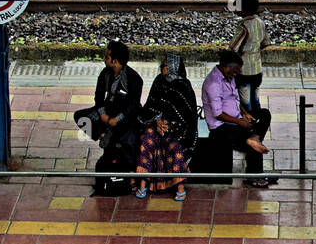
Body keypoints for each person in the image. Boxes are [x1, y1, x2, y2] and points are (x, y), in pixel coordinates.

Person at [202, 49, 274, 188]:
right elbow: (218, 113)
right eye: (235, 70)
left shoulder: (229, 77)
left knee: (264, 114)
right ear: (226, 67)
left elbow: (234, 99)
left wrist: (244, 113)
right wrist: (240, 122)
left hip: (236, 118)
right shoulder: (213, 84)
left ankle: (254, 138)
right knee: (251, 139)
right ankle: (254, 176)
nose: (237, 74)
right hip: (221, 127)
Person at [135, 55, 196, 201]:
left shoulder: (184, 86)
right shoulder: (159, 82)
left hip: (177, 129)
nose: (162, 68)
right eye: (163, 65)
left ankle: (180, 186)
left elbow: (188, 116)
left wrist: (169, 125)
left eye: (165, 65)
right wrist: (157, 122)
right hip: (156, 124)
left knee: (175, 147)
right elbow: (150, 106)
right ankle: (143, 184)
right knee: (147, 141)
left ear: (174, 67)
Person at [76, 41, 143, 150]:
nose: (104, 59)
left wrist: (116, 119)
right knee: (81, 117)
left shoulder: (134, 79)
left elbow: (133, 105)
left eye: (107, 57)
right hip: (109, 109)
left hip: (126, 114)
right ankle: (103, 134)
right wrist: (103, 114)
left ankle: (112, 133)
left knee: (128, 130)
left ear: (115, 61)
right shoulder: (105, 73)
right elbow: (99, 96)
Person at [229, 0, 271, 117]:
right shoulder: (260, 22)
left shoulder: (243, 26)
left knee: (245, 101)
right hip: (257, 68)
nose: (235, 10)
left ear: (243, 10)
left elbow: (233, 47)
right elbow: (265, 42)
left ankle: (248, 122)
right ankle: (257, 119)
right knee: (255, 97)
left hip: (243, 71)